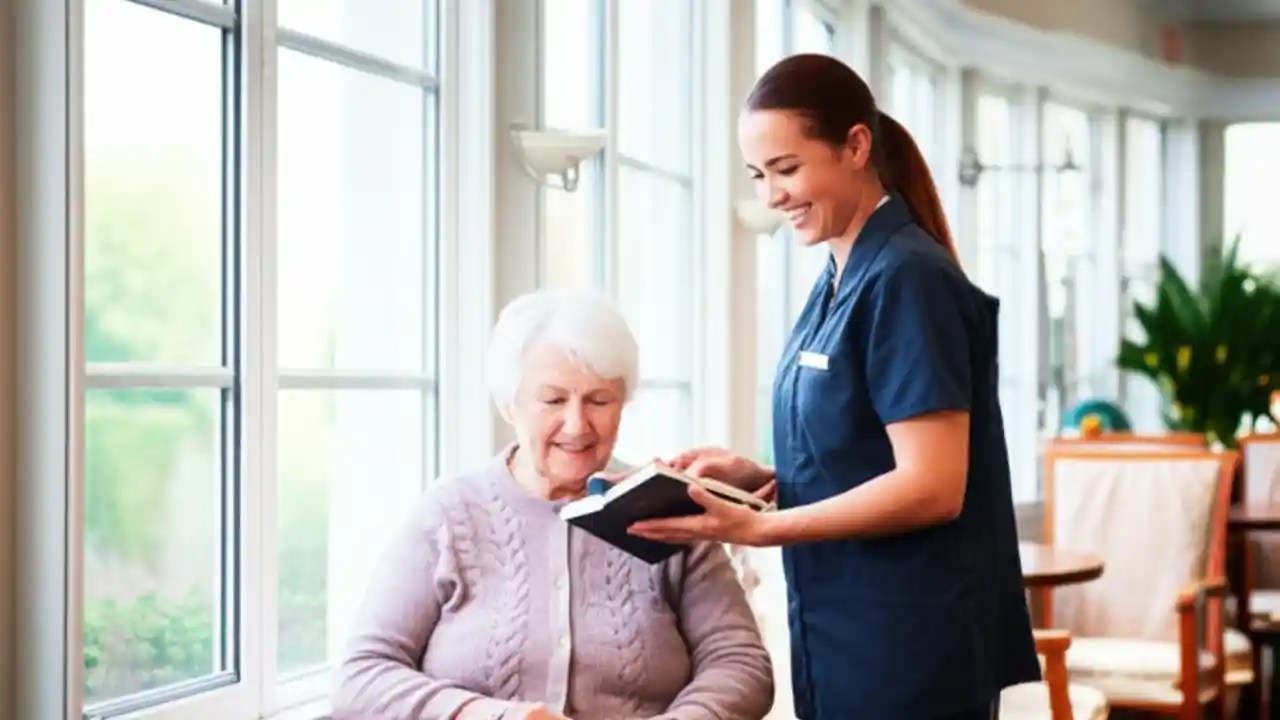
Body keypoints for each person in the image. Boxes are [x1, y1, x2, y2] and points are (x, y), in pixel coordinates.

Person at [628, 54, 1039, 719]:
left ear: (855, 145)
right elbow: (863, 452)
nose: (770, 195)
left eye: (787, 169)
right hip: (842, 636)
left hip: (910, 646)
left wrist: (768, 530)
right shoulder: (836, 280)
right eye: (758, 175)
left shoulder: (908, 279)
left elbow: (932, 486)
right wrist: (758, 478)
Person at [332, 289, 774, 720]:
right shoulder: (449, 513)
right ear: (511, 404)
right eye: (554, 400)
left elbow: (742, 665)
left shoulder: (667, 505)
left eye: (599, 400)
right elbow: (362, 678)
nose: (577, 424)